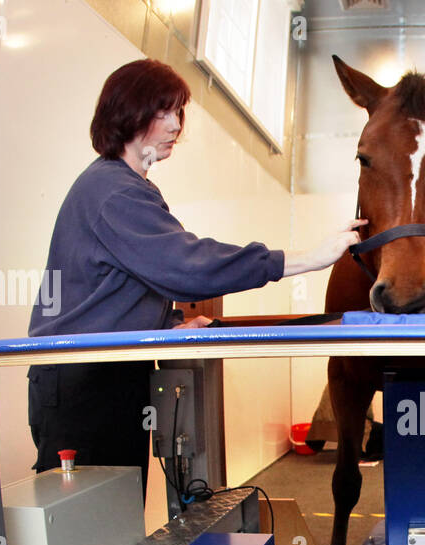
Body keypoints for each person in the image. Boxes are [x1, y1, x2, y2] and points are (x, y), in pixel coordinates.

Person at [27, 59, 362, 494]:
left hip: (110, 373)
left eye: (178, 113)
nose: (175, 125)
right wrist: (305, 259)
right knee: (90, 529)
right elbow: (188, 267)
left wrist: (169, 323)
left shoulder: (125, 187)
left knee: (116, 518)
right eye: (162, 111)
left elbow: (121, 285)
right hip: (82, 381)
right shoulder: (113, 190)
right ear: (127, 113)